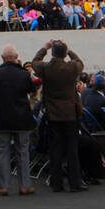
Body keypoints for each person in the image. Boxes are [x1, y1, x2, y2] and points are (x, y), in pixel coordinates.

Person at [31, 39, 85, 192]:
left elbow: (35, 61)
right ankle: (75, 183)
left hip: (53, 113)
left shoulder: (46, 68)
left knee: (55, 150)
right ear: (64, 53)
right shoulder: (72, 67)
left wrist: (45, 48)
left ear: (52, 53)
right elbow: (79, 61)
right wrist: (69, 50)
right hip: (70, 113)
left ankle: (57, 183)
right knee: (72, 150)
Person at [0, 44, 37, 195]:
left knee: (2, 152)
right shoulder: (23, 74)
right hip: (21, 118)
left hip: (1, 117)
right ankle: (25, 185)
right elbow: (31, 90)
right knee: (23, 152)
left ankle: (3, 186)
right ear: (16, 57)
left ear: (2, 58)